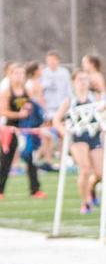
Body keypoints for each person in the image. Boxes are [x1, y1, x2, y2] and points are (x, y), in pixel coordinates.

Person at [53, 70, 104, 214]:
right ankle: (85, 202)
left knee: (101, 173)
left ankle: (91, 189)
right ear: (74, 82)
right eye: (80, 79)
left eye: (85, 79)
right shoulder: (70, 100)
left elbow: (101, 113)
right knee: (85, 168)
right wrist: (64, 133)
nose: (83, 82)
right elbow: (56, 120)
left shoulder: (96, 97)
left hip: (93, 135)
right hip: (77, 137)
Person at [0, 63, 45, 200]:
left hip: (25, 131)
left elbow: (33, 107)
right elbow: (3, 111)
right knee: (6, 160)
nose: (19, 76)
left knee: (31, 160)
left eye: (21, 73)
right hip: (10, 130)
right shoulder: (6, 92)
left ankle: (35, 189)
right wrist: (19, 115)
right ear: (10, 75)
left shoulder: (27, 91)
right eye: (16, 73)